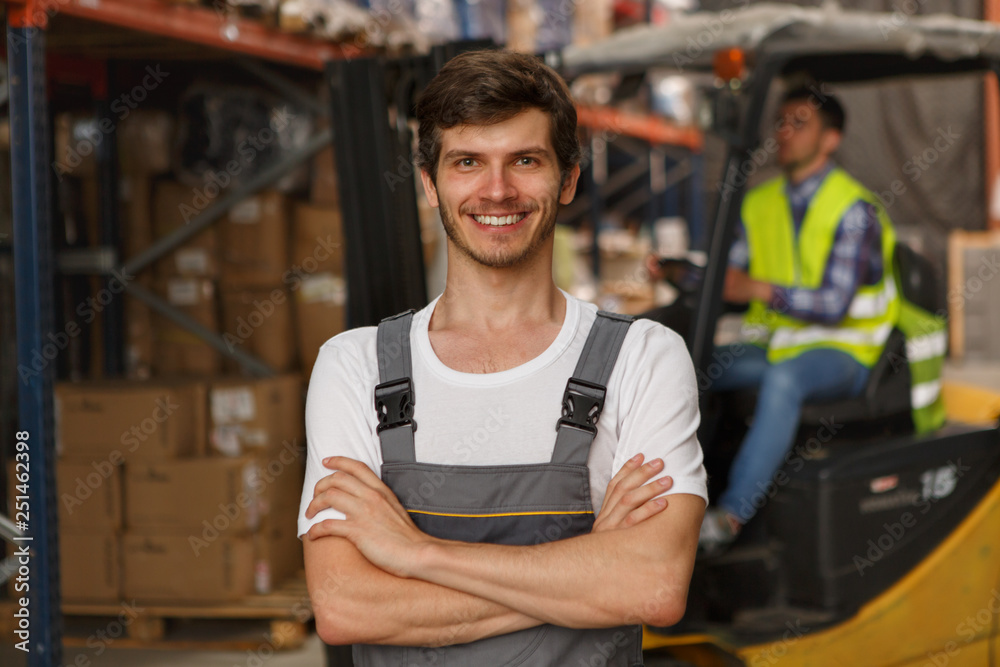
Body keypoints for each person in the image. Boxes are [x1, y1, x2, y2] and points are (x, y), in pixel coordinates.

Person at [297, 49, 708, 666]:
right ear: (430, 183)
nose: (496, 190)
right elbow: (346, 608)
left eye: (525, 160)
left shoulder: (642, 358)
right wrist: (587, 572)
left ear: (568, 180)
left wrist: (417, 554)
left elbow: (654, 586)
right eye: (467, 162)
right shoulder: (356, 367)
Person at [698, 87, 900, 553]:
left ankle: (730, 516)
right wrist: (687, 274)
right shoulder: (760, 202)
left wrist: (759, 289)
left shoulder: (853, 211)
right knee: (690, 363)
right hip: (781, 343)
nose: (784, 133)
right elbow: (731, 277)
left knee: (785, 380)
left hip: (847, 351)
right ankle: (671, 497)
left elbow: (834, 305)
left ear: (831, 139)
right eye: (781, 122)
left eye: (799, 123)